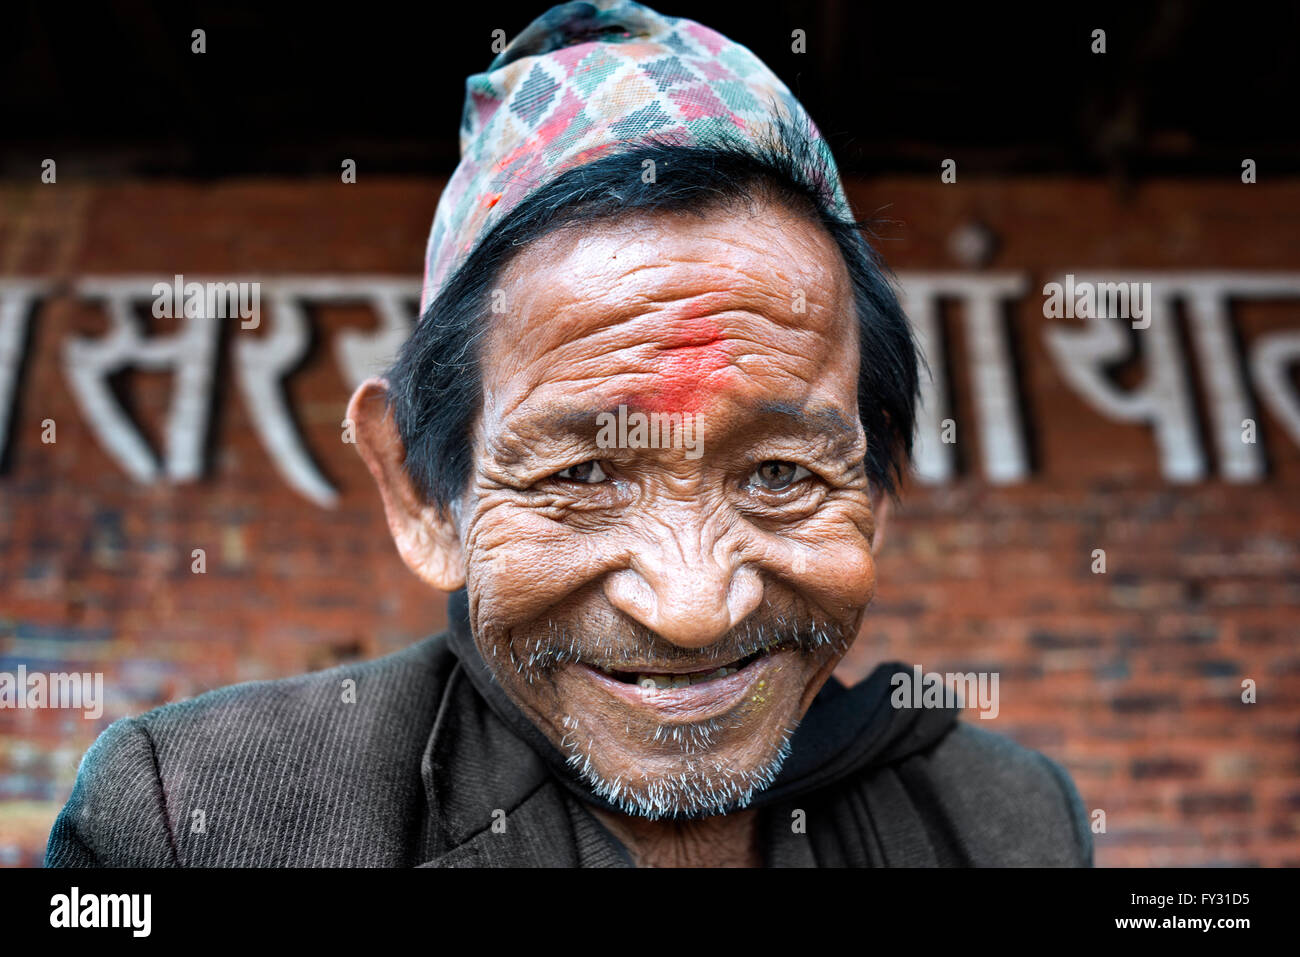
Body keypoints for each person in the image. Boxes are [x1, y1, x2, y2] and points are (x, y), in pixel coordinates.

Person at [46, 0, 1091, 868]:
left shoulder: (1006, 826)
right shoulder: (196, 825)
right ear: (421, 490)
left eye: (779, 473)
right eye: (584, 472)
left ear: (872, 483)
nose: (690, 609)